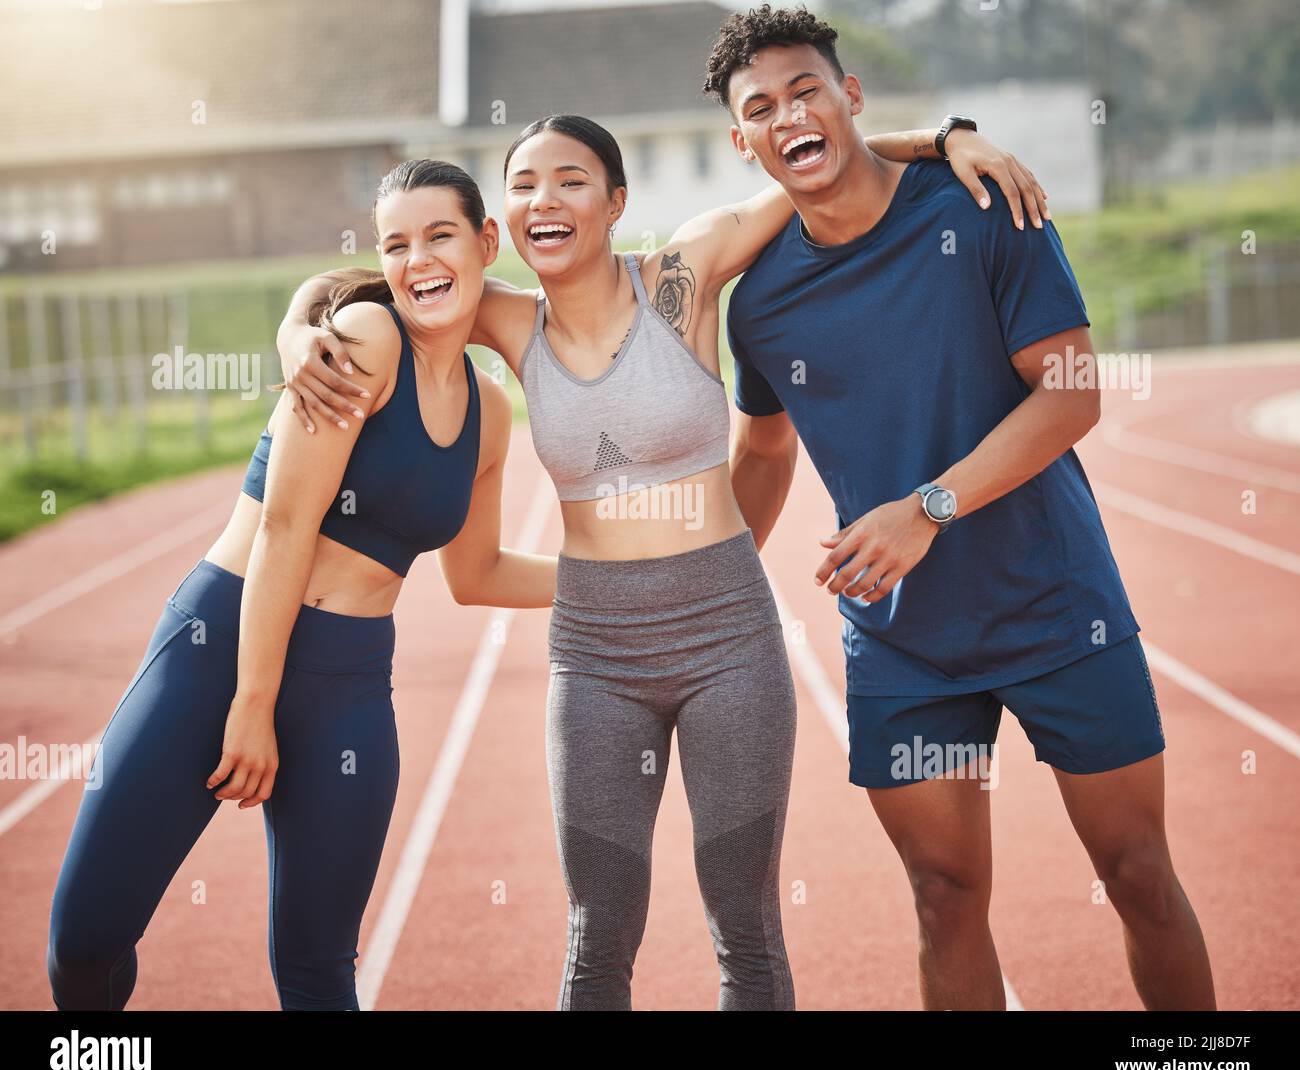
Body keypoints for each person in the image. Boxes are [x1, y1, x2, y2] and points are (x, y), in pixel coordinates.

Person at [276, 116, 1045, 1010]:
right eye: (523, 185)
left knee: (747, 927)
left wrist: (946, 138)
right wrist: (298, 333)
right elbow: (365, 283)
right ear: (504, 225)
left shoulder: (682, 276)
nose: (544, 200)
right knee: (597, 932)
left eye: (569, 180)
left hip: (731, 643)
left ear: (616, 201)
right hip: (596, 655)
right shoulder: (504, 317)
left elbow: (817, 169)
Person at [710, 5, 1216, 1009]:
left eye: (806, 88)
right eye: (760, 107)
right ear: (742, 140)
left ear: (850, 97)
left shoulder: (980, 206)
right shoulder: (758, 300)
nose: (789, 116)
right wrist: (712, 580)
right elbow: (763, 449)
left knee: (1137, 873)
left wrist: (925, 508)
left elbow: (1071, 390)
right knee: (942, 895)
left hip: (1055, 603)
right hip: (903, 639)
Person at [45, 159, 557, 1011]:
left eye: (440, 236)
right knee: (85, 940)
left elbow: (478, 574)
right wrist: (252, 703)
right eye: (396, 243)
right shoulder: (366, 338)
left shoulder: (491, 413)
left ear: (485, 243)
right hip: (222, 648)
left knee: (320, 969)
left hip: (349, 682)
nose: (419, 260)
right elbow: (287, 526)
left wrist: (620, 573)